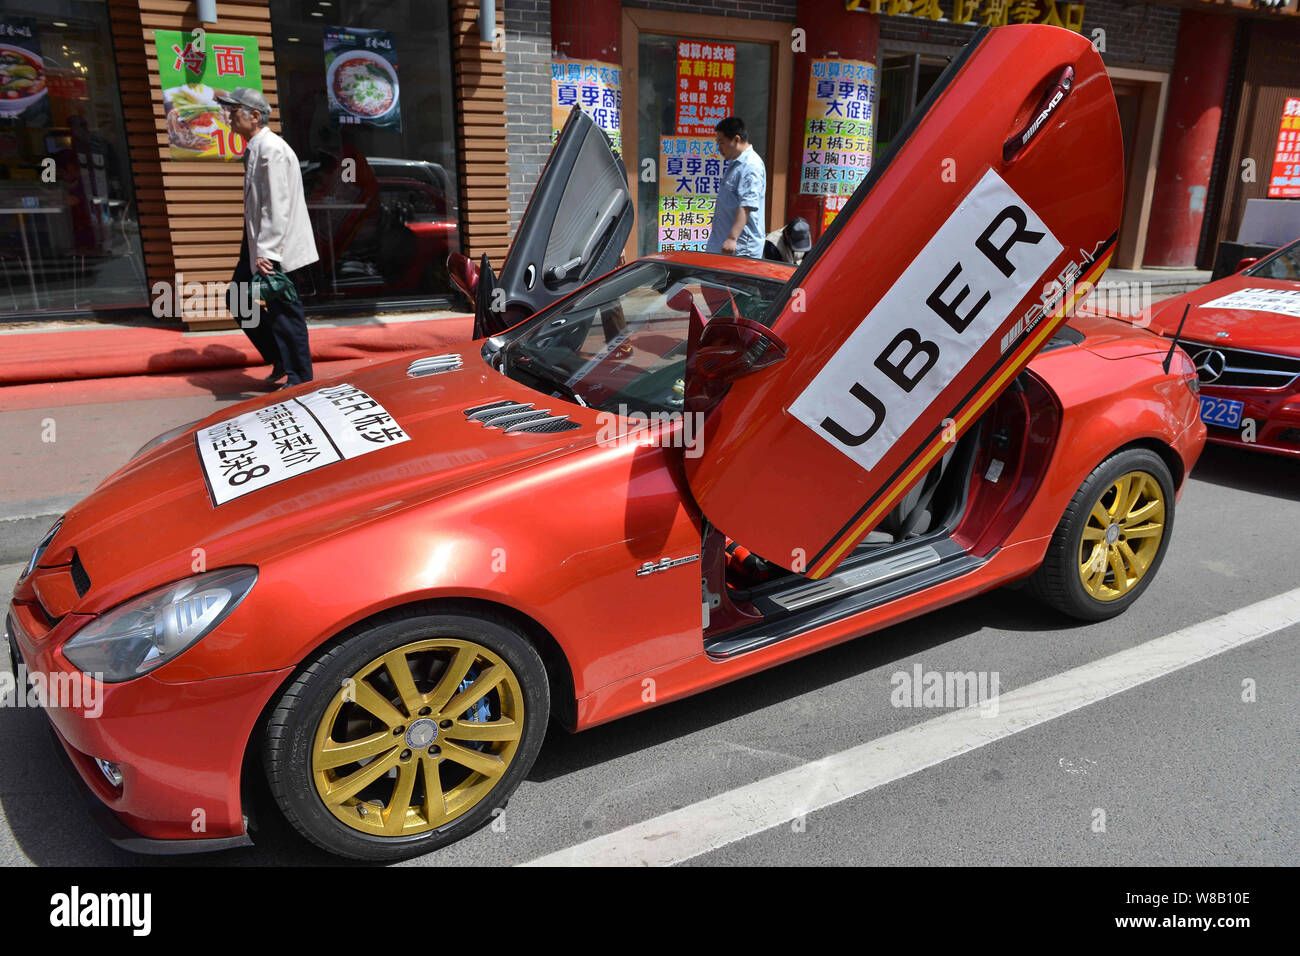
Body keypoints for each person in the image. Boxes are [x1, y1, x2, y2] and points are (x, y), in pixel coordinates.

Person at [219, 87, 319, 388]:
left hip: (276, 244)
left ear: (253, 115)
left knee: (285, 311)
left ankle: (300, 377)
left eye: (233, 110)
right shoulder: (256, 146)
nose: (228, 116)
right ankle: (278, 355)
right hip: (258, 239)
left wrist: (268, 251)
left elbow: (277, 204)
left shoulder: (271, 149)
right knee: (237, 297)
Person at [706, 116, 766, 259]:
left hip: (740, 249)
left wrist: (733, 238)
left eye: (721, 142)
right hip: (723, 246)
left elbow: (747, 205)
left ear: (736, 140)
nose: (719, 147)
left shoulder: (751, 166)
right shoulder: (735, 164)